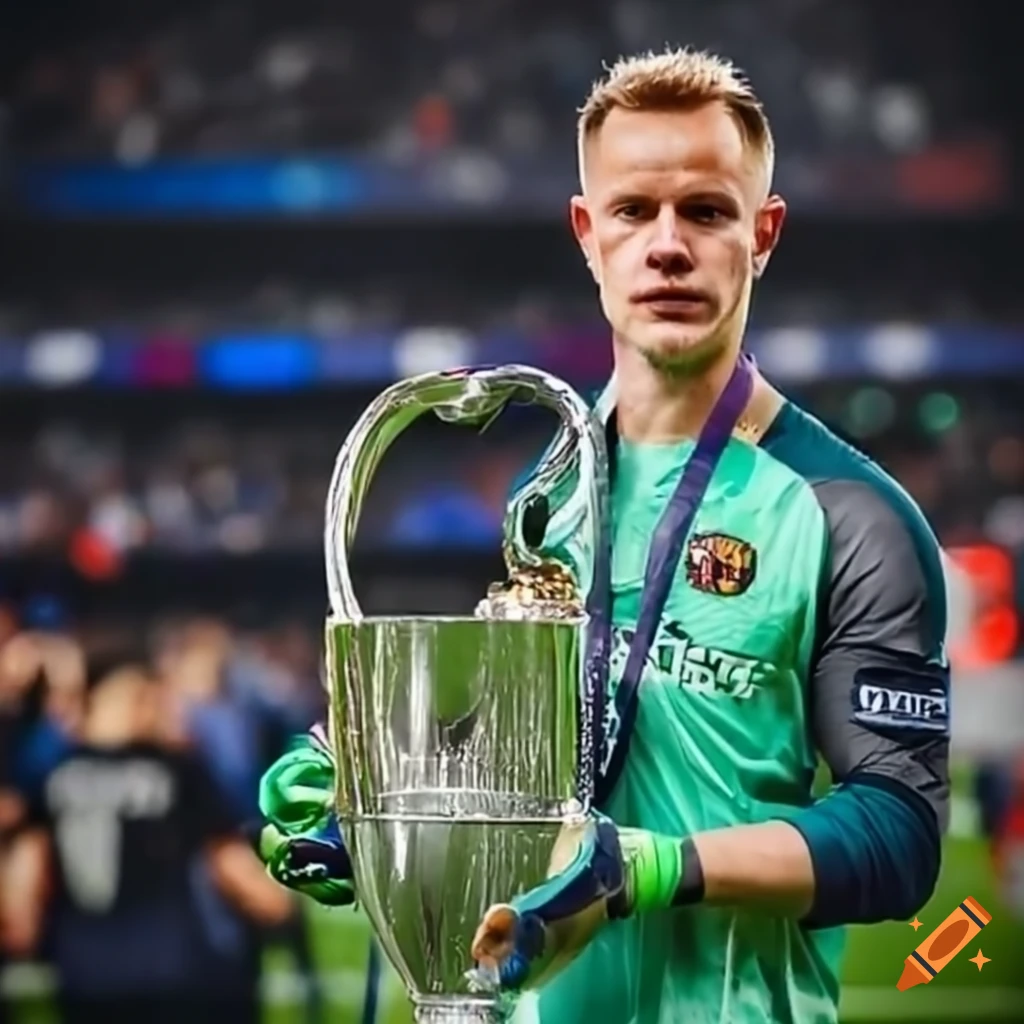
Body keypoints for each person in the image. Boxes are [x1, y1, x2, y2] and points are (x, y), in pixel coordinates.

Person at [257, 48, 951, 1024]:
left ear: (763, 231)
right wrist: (372, 801)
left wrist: (650, 868)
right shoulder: (546, 500)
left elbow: (897, 833)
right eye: (632, 210)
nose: (666, 245)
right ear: (588, 233)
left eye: (706, 210)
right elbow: (534, 765)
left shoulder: (849, 513)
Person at [1, 645, 292, 1024]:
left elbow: (22, 906)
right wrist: (281, 911)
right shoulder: (175, 770)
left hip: (85, 979)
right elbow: (236, 870)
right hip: (179, 976)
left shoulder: (52, 776)